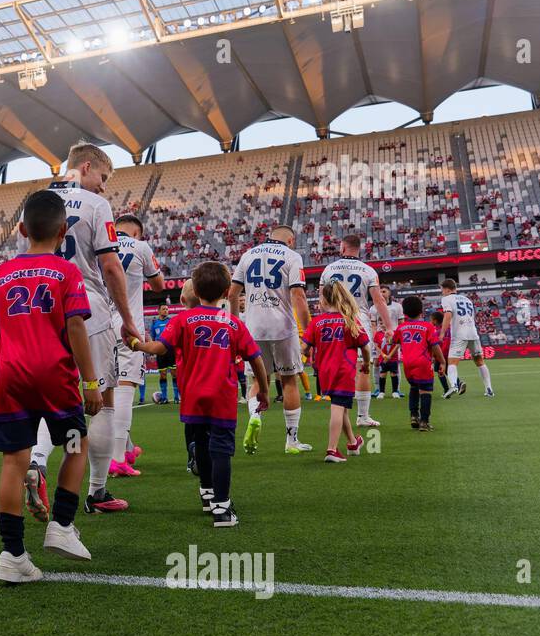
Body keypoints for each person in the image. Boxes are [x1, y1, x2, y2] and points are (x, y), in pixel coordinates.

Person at [0, 190, 100, 582]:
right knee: (75, 444)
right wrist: (90, 381)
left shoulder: (2, 272)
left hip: (12, 378)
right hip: (55, 376)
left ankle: (11, 555)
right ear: (64, 231)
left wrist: (11, 351)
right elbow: (76, 326)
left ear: (20, 230)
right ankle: (62, 526)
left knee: (14, 462)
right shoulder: (67, 272)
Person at [24, 143, 144, 516]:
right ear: (86, 167)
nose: (104, 187)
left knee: (52, 400)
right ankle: (97, 491)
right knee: (102, 399)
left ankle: (38, 463)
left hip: (41, 309)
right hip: (86, 308)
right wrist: (127, 319)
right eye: (103, 178)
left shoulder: (35, 202)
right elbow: (110, 267)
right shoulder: (95, 205)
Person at [136, 262, 269, 527]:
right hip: (222, 397)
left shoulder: (182, 319)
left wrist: (134, 342)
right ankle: (222, 507)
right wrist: (263, 391)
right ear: (226, 291)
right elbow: (256, 359)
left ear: (194, 290)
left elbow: (160, 348)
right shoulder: (233, 323)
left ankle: (207, 494)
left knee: (202, 446)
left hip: (193, 397)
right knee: (221, 451)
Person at [230, 224, 312, 454]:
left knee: (257, 380)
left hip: (254, 328)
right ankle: (292, 440)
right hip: (283, 328)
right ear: (291, 240)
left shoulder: (248, 255)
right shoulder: (292, 256)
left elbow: (232, 293)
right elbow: (298, 295)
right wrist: (309, 333)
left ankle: (255, 417)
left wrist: (235, 325)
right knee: (289, 381)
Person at [111, 213, 164, 477]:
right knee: (125, 387)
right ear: (136, 232)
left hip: (96, 323)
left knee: (103, 390)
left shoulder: (98, 241)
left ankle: (127, 448)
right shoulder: (140, 246)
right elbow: (159, 285)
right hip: (127, 325)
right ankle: (118, 457)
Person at [302, 279, 372, 463]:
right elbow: (365, 346)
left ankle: (352, 443)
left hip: (325, 371)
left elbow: (304, 348)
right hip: (344, 369)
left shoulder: (317, 322)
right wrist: (366, 363)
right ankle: (331, 449)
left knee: (341, 406)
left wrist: (309, 350)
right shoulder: (349, 319)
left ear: (324, 300)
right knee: (337, 407)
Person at [394, 295, 446, 432]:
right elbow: (435, 346)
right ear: (421, 310)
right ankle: (424, 421)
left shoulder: (401, 327)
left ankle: (413, 415)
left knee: (413, 387)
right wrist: (443, 361)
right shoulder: (428, 326)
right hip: (422, 362)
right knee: (425, 391)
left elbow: (393, 341)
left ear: (404, 312)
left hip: (407, 364)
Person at [439, 279, 494, 397]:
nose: (442, 292)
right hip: (473, 333)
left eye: (442, 289)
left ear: (447, 289)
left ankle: (454, 385)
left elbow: (448, 315)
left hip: (459, 334)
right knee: (480, 362)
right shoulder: (467, 299)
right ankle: (489, 389)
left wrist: (442, 332)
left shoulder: (446, 299)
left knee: (452, 363)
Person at [149, 304, 179, 404]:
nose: (166, 311)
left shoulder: (171, 321)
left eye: (167, 309)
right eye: (164, 309)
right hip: (160, 351)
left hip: (170, 351)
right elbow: (152, 338)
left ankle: (176, 397)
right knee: (163, 375)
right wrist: (152, 351)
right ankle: (165, 397)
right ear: (159, 311)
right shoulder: (154, 324)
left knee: (175, 374)